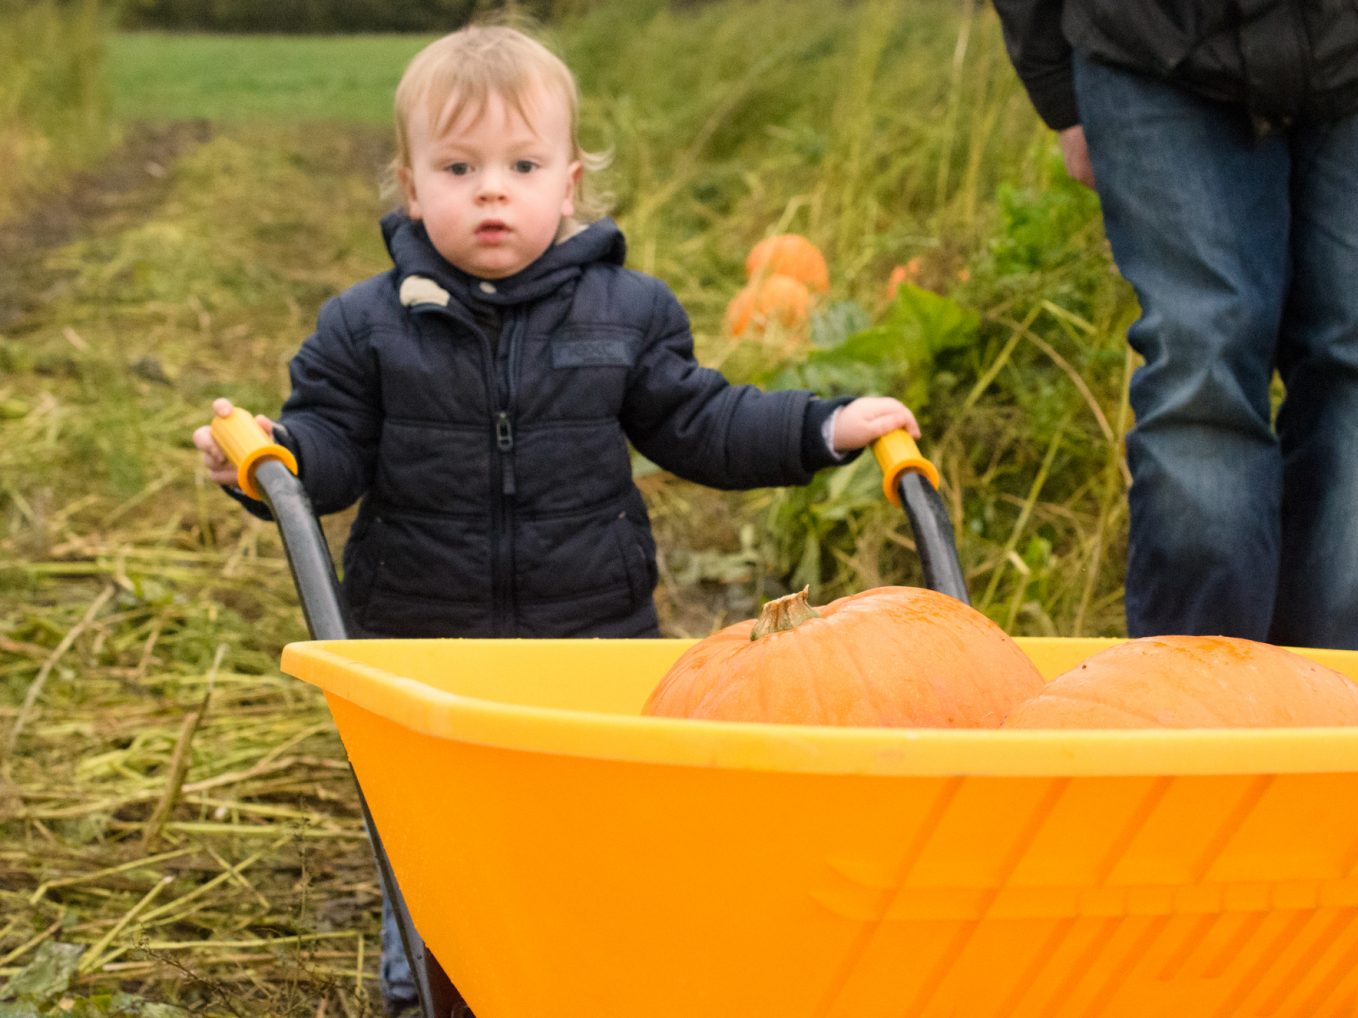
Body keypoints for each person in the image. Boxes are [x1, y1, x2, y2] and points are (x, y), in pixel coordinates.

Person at [191, 23, 918, 1013]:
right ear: (412, 187)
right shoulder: (363, 327)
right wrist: (269, 459)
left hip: (592, 634)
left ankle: (582, 966)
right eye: (460, 165)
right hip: (421, 645)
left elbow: (701, 421)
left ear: (568, 185)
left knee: (583, 830)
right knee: (435, 832)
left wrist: (821, 426)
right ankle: (431, 962)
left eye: (521, 164)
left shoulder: (626, 314)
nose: (493, 189)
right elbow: (332, 449)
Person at [991, 1, 1358, 650]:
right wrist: (1056, 80)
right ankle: (1192, 714)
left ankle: (1331, 711)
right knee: (1201, 368)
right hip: (1149, 40)